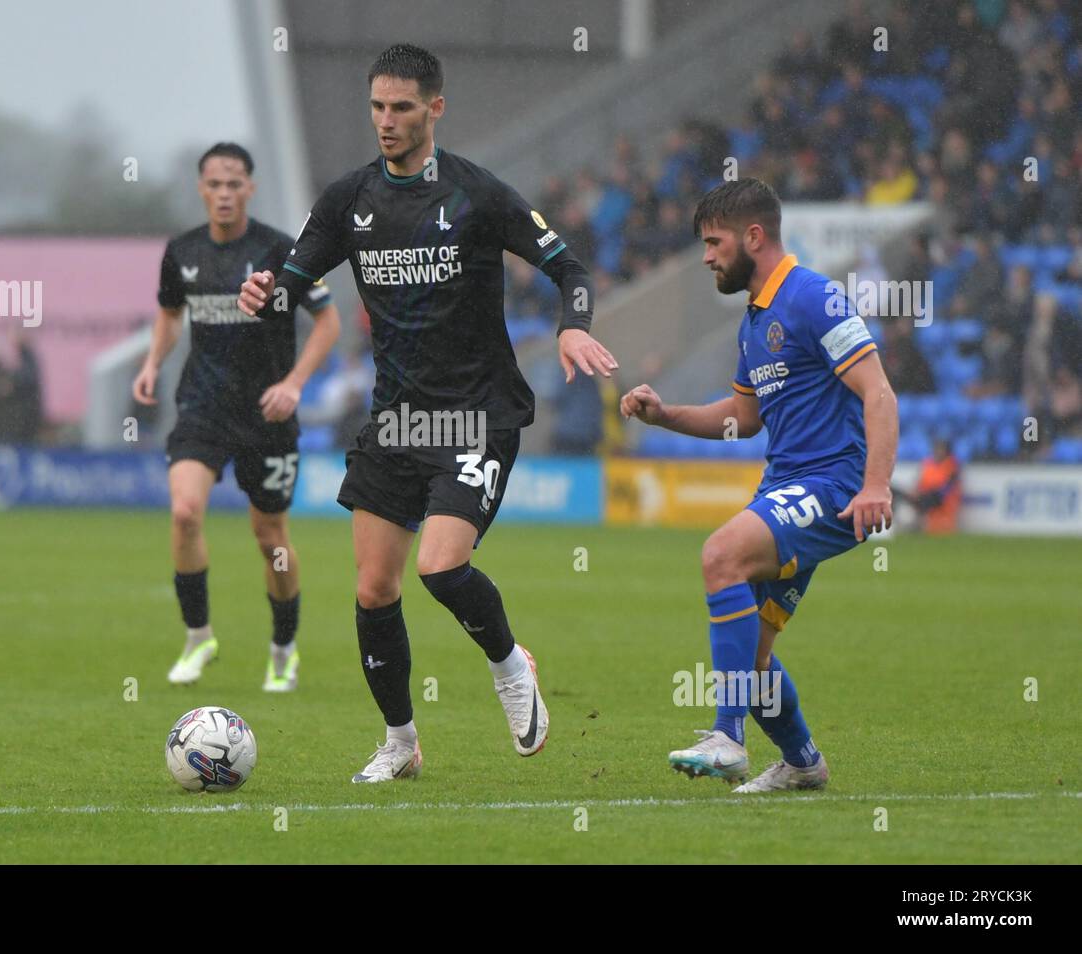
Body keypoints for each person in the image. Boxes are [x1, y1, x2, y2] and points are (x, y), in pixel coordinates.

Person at [238, 44, 617, 783]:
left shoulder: (476, 194)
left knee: (442, 568)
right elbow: (291, 281)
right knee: (374, 588)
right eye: (377, 106)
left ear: (434, 108)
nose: (386, 121)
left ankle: (510, 665)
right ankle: (401, 742)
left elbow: (569, 267)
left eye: (402, 107)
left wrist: (574, 324)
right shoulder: (348, 200)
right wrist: (265, 295)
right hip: (397, 421)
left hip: (477, 416)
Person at [622, 178, 898, 792]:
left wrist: (875, 484)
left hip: (832, 484)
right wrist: (664, 415)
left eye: (714, 242)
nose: (706, 256)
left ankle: (728, 736)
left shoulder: (813, 297)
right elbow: (743, 420)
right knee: (753, 656)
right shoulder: (755, 320)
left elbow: (878, 391)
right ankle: (803, 762)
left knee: (720, 554)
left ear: (754, 236)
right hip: (787, 485)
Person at [133, 142, 340, 691]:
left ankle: (283, 648)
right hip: (202, 406)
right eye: (214, 184)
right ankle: (199, 638)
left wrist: (294, 385)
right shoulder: (181, 251)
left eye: (234, 184)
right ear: (202, 190)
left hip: (266, 416)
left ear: (249, 187)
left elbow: (327, 322)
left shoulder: (280, 249)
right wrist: (152, 362)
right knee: (184, 513)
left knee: (270, 539)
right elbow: (169, 312)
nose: (224, 194)